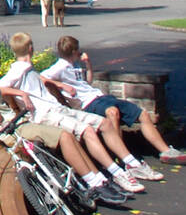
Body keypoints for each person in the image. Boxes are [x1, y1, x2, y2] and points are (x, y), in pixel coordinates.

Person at [0, 44, 130, 207]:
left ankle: (97, 180)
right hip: (11, 130)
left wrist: (18, 93)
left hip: (16, 125)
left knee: (68, 135)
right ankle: (94, 183)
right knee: (64, 136)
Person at [0, 32, 144, 195]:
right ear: (31, 48)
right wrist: (22, 95)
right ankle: (117, 173)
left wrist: (59, 85)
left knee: (105, 123)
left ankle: (129, 163)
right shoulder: (18, 70)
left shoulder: (28, 68)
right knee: (87, 130)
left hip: (59, 109)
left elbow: (42, 78)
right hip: (46, 115)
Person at [42, 36, 186, 170]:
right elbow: (41, 77)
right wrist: (62, 86)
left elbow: (88, 83)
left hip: (100, 96)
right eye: (78, 50)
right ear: (74, 51)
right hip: (88, 103)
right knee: (113, 112)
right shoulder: (60, 66)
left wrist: (88, 65)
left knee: (142, 114)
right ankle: (123, 159)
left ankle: (166, 151)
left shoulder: (75, 65)